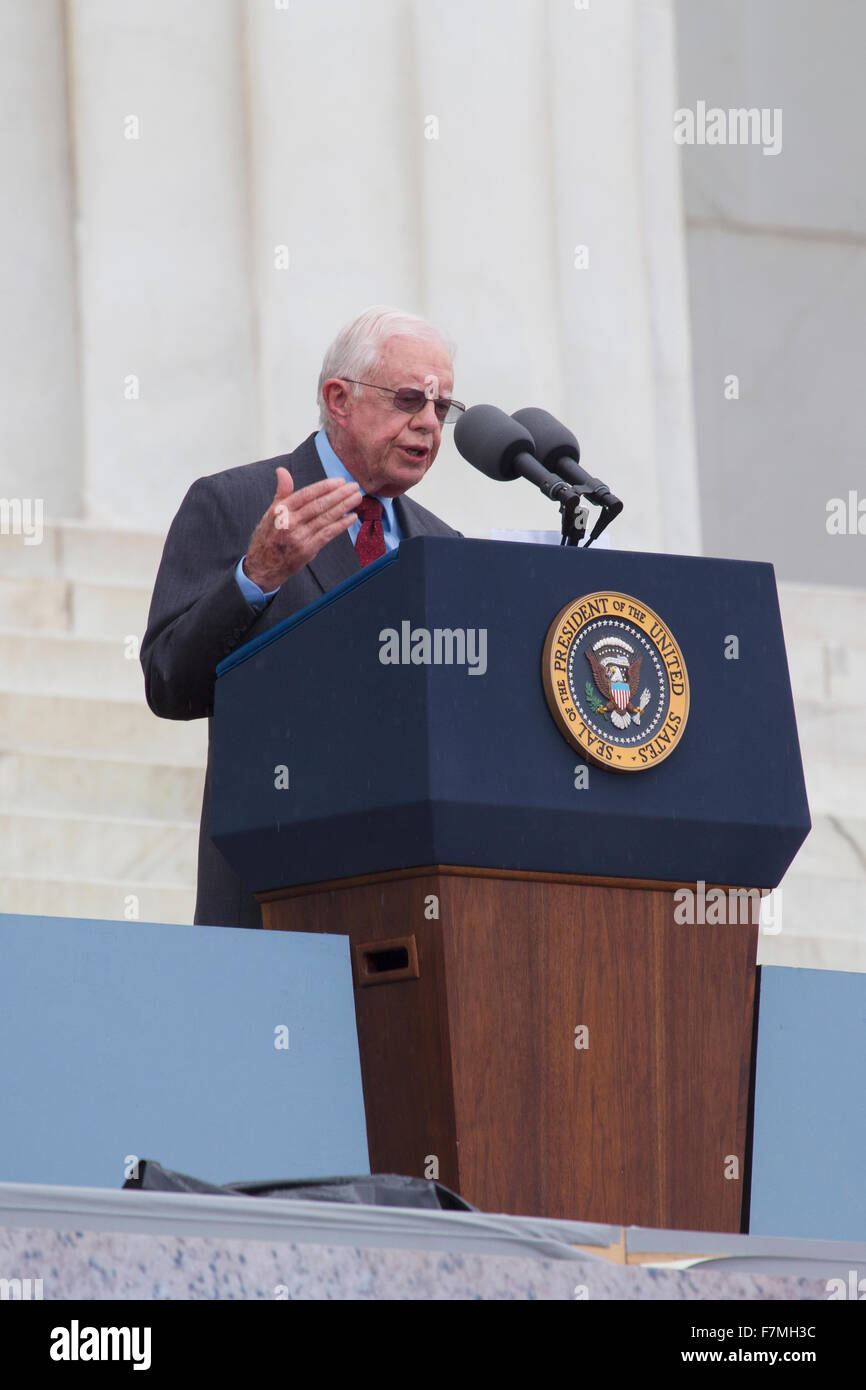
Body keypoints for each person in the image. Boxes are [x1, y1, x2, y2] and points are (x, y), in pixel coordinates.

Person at [140, 306, 463, 928]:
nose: (428, 425)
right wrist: (256, 576)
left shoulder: (443, 548)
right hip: (277, 891)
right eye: (407, 401)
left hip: (415, 896)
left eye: (441, 408)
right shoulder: (235, 503)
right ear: (338, 399)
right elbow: (168, 683)